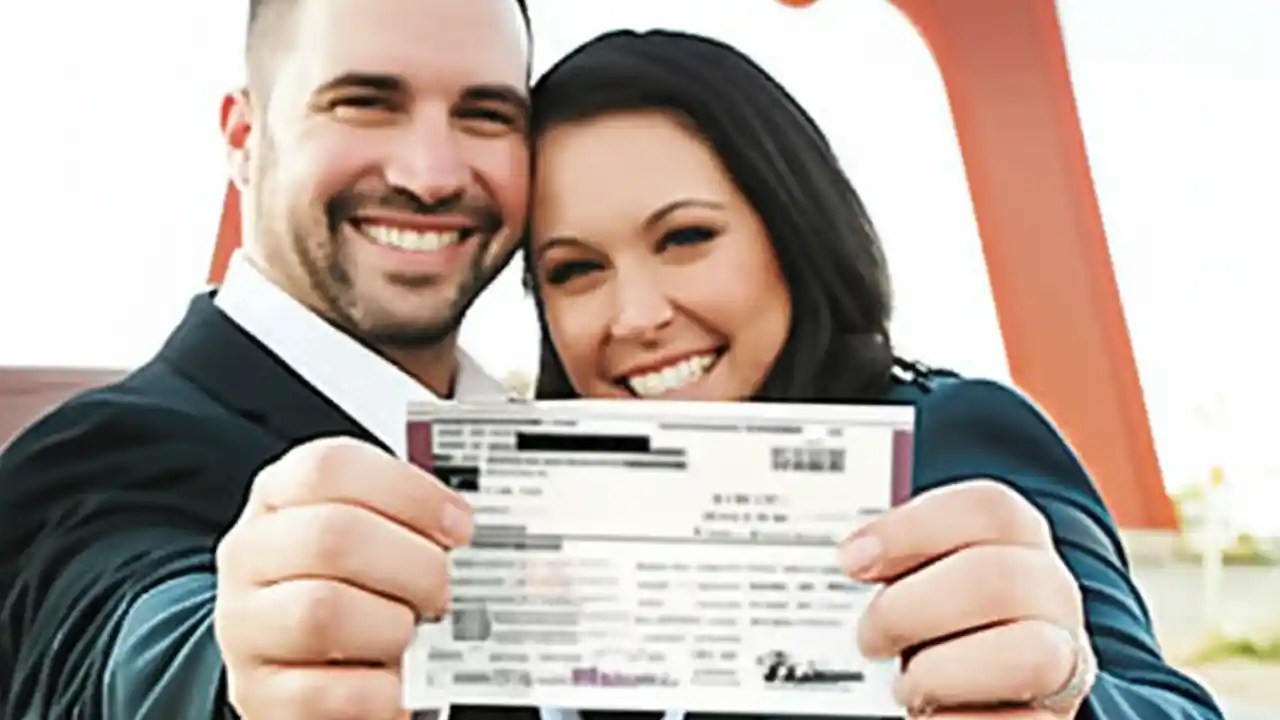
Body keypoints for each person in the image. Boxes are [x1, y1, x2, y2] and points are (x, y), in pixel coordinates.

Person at [522, 29, 1225, 719]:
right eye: (575, 270)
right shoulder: (524, 534)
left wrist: (1067, 693)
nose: (636, 315)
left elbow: (1170, 708)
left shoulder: (947, 443)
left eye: (685, 239)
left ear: (790, 230)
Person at [0, 0, 534, 718]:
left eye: (486, 115)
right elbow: (104, 634)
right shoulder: (94, 459)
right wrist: (232, 672)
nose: (431, 175)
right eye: (365, 104)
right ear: (244, 136)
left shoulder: (564, 462)